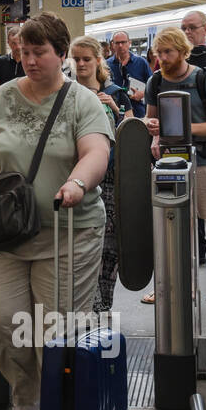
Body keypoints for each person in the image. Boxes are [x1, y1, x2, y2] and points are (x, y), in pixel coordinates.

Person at [0, 12, 112, 410]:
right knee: (2, 320)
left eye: (39, 52)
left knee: (53, 327)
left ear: (62, 53)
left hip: (68, 233)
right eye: (24, 52)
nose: (30, 60)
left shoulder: (83, 101)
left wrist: (77, 182)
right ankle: (25, 394)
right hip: (7, 233)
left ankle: (61, 409)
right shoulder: (3, 97)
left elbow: (96, 152)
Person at [140, 27, 206, 305]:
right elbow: (150, 120)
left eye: (168, 52)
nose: (163, 58)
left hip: (205, 159)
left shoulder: (203, 79)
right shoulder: (155, 82)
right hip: (169, 161)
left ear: (182, 52)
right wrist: (151, 127)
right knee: (176, 223)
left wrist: (184, 129)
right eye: (159, 52)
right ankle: (175, 284)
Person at [70, 35, 132, 312]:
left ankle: (103, 301)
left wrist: (117, 110)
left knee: (110, 246)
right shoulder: (66, 92)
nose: (81, 64)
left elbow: (132, 131)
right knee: (81, 239)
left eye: (87, 59)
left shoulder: (117, 92)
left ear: (98, 61)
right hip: (76, 174)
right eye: (77, 59)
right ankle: (88, 299)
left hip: (112, 177)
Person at [182, 10, 206, 267]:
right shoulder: (170, 66)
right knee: (184, 216)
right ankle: (198, 255)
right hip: (178, 154)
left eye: (192, 28)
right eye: (183, 28)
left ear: (205, 29)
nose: (187, 32)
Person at [107, 31, 152, 118]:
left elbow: (152, 86)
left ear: (129, 43)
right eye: (117, 43)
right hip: (114, 113)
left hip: (138, 112)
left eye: (123, 42)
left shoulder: (141, 62)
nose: (120, 45)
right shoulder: (106, 65)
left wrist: (143, 94)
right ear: (113, 45)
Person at [0, 25, 26, 90]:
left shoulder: (30, 61)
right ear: (8, 43)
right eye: (14, 43)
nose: (18, 47)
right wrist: (12, 90)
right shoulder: (0, 61)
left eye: (20, 42)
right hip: (4, 99)